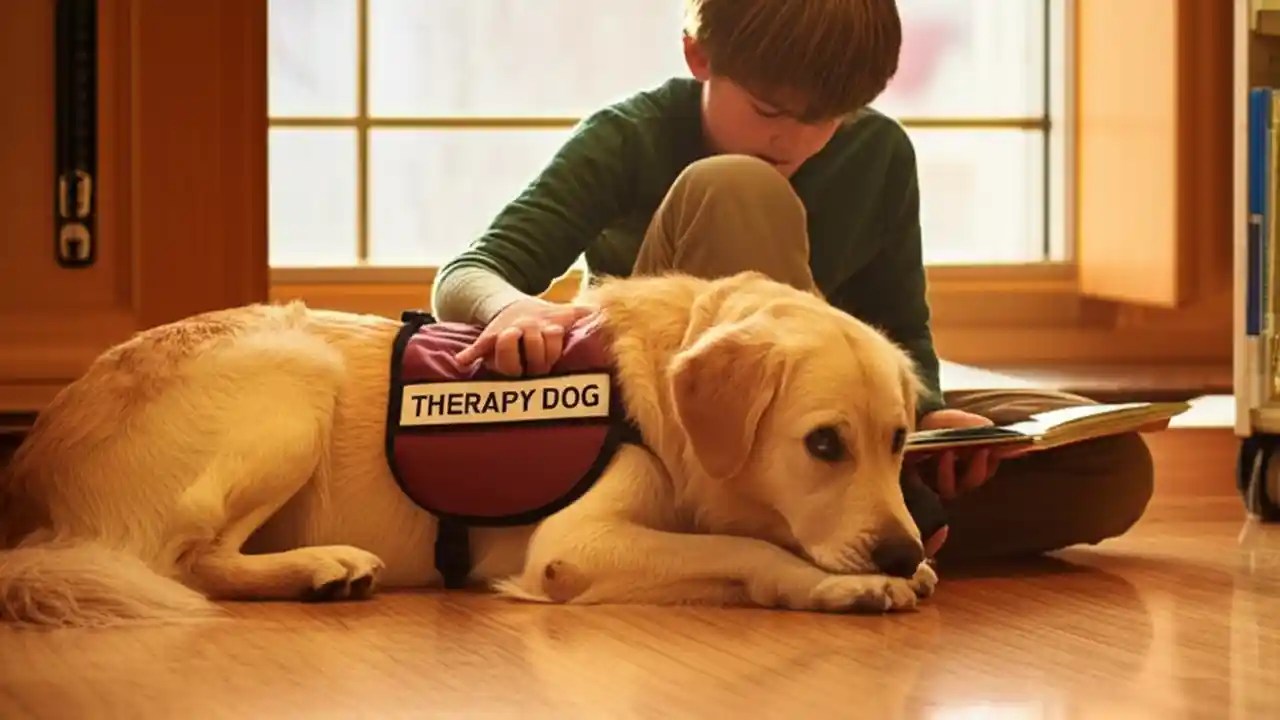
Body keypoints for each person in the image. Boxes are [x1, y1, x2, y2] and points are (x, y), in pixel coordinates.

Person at [430, 0, 1155, 565]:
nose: (794, 141)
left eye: (827, 120)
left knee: (1109, 468)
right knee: (736, 187)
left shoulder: (879, 155)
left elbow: (898, 327)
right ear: (699, 55)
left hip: (825, 426)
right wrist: (517, 310)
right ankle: (860, 525)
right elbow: (468, 275)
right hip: (679, 429)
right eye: (770, 111)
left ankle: (831, 528)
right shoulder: (632, 135)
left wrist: (931, 419)